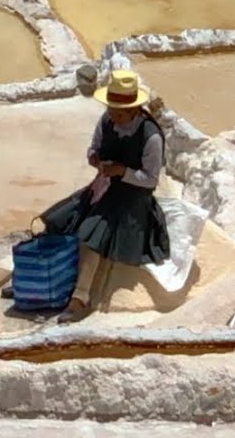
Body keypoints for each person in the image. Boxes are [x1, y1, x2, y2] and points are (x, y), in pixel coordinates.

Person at [50, 69, 170, 323]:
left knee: (92, 235)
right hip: (104, 186)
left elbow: (150, 179)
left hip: (132, 200)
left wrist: (123, 171)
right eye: (111, 111)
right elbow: (94, 147)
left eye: (119, 114)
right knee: (61, 218)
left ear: (134, 111)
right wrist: (94, 158)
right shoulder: (107, 120)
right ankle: (46, 280)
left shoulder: (151, 138)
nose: (113, 118)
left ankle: (80, 298)